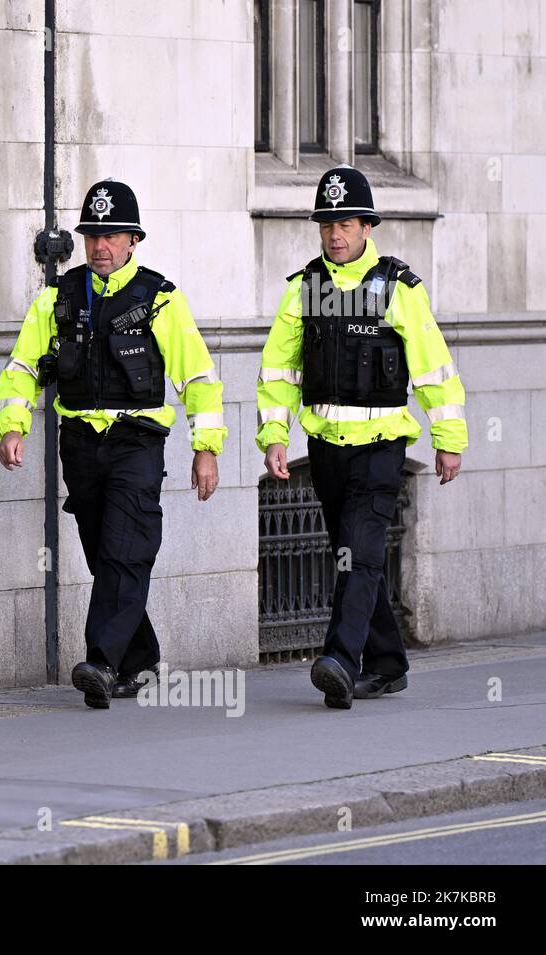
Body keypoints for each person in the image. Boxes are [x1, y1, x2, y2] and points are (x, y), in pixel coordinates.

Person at [0, 179, 227, 709]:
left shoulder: (160, 299)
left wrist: (206, 447)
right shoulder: (58, 297)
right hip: (78, 442)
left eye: (112, 235)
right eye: (92, 235)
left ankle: (100, 661)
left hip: (136, 440)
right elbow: (22, 367)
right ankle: (139, 665)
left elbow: (199, 379)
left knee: (127, 548)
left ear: (133, 240)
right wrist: (13, 425)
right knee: (106, 555)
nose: (100, 246)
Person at [256, 165, 466, 709]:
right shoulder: (304, 290)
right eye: (326, 223)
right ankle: (389, 663)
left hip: (381, 446)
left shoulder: (398, 288)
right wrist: (274, 438)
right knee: (349, 555)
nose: (335, 233)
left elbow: (432, 368)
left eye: (345, 222)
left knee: (361, 551)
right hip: (325, 448)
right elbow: (279, 371)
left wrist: (449, 437)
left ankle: (340, 660)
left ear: (367, 226)